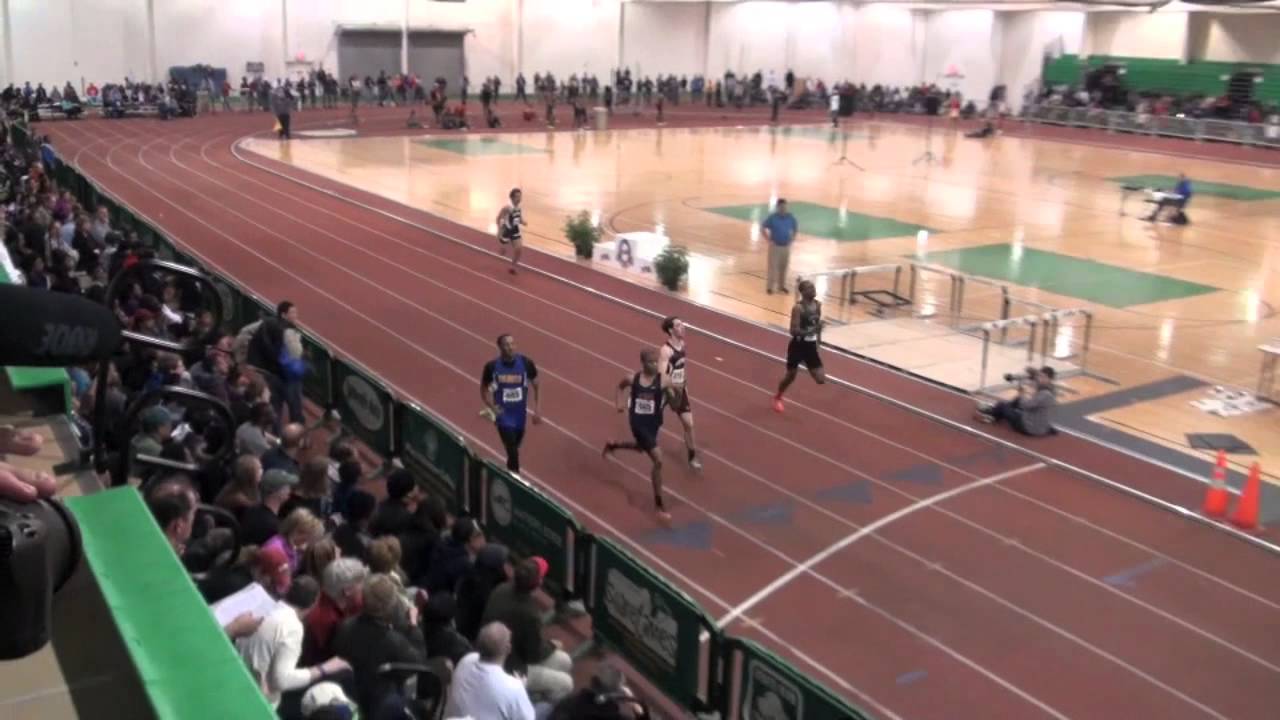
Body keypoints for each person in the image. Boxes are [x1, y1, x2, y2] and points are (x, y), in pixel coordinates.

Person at [603, 349, 672, 522]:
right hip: (638, 423)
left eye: (656, 362)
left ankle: (613, 445)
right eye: (651, 362)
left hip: (654, 423)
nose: (655, 365)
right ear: (643, 363)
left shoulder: (664, 380)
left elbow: (673, 397)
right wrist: (619, 403)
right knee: (658, 459)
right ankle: (659, 505)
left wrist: (674, 396)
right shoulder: (632, 379)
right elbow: (619, 387)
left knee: (642, 448)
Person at [480, 334, 541, 476]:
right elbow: (483, 390)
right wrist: (491, 407)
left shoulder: (526, 363)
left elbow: (536, 384)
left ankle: (510, 472)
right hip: (503, 416)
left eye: (512, 344)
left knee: (514, 448)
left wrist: (537, 409)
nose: (510, 347)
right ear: (500, 347)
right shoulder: (491, 367)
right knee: (513, 450)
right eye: (506, 344)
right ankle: (516, 479)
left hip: (520, 415)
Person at [773, 280, 826, 413]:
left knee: (820, 379)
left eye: (813, 286)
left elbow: (816, 326)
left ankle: (806, 362)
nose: (814, 289)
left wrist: (818, 342)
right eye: (810, 288)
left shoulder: (818, 305)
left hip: (810, 346)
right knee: (791, 376)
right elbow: (793, 331)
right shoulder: (798, 308)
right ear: (803, 292)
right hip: (798, 345)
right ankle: (778, 397)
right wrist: (812, 331)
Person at [658, 316, 700, 471]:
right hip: (666, 392)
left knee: (689, 424)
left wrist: (684, 385)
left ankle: (692, 456)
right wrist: (673, 389)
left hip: (680, 389)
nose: (683, 327)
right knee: (653, 423)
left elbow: (681, 368)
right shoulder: (666, 351)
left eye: (683, 324)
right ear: (671, 330)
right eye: (679, 325)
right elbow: (662, 378)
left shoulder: (682, 344)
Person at [975, 366, 1058, 436]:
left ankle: (992, 413)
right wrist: (1031, 374)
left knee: (1003, 405)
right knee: (1015, 402)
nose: (1040, 379)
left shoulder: (1045, 394)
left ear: (1049, 379)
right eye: (1040, 376)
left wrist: (1022, 394)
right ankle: (994, 413)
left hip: (1028, 427)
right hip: (1041, 425)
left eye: (1043, 377)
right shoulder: (1051, 389)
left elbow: (1026, 406)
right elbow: (1035, 381)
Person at [760, 198, 798, 295]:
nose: (784, 209)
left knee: (783, 267)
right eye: (781, 207)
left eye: (785, 207)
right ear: (778, 207)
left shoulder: (790, 217)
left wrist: (792, 239)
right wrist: (768, 240)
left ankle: (781, 286)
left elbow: (795, 228)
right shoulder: (773, 218)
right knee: (773, 267)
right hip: (775, 246)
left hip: (786, 247)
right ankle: (770, 287)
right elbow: (763, 227)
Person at [495, 187, 527, 275]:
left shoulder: (519, 207)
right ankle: (501, 247)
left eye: (520, 197)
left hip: (515, 231)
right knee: (502, 252)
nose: (519, 199)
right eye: (517, 197)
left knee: (519, 249)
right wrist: (499, 230)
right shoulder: (507, 208)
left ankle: (512, 266)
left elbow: (518, 217)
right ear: (512, 198)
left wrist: (523, 221)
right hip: (506, 231)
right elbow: (498, 218)